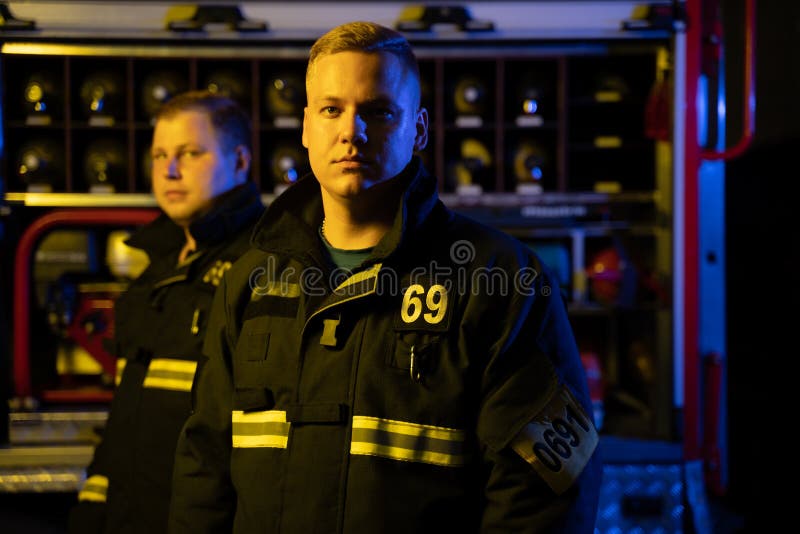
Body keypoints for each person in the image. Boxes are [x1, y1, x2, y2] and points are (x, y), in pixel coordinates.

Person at [169, 22, 602, 533]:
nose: (352, 131)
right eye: (332, 110)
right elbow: (205, 471)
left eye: (377, 110)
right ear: (306, 127)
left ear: (418, 129)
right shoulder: (251, 281)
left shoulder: (499, 281)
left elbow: (545, 493)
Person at [68, 90, 265, 534]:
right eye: (159, 155)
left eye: (190, 153)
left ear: (239, 161)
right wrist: (92, 507)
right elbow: (125, 418)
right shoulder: (157, 272)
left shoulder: (263, 268)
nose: (170, 170)